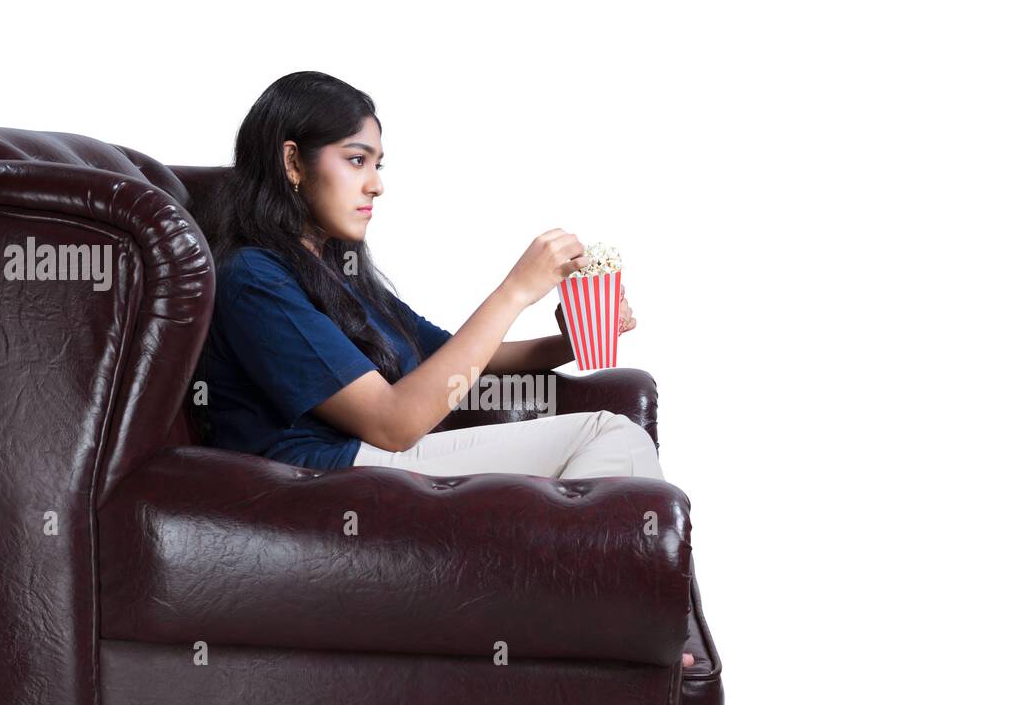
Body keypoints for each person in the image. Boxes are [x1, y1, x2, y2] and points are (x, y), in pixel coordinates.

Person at [194, 72, 690, 668]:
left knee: (610, 441)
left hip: (368, 465)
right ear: (293, 162)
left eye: (378, 165)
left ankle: (584, 612)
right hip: (329, 488)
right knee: (609, 434)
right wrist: (514, 291)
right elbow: (394, 424)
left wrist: (568, 338)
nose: (375, 185)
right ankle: (595, 620)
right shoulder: (255, 278)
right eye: (357, 160)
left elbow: (458, 359)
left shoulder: (336, 268)